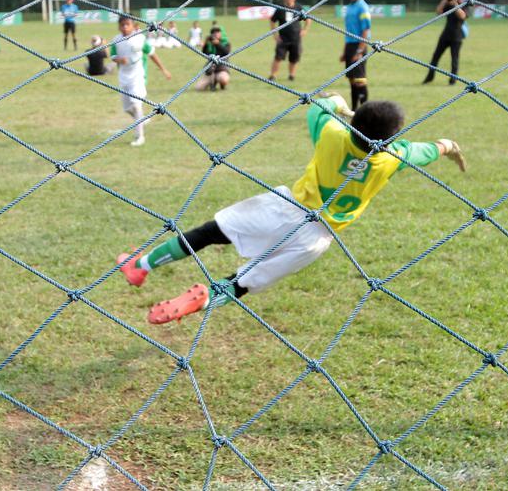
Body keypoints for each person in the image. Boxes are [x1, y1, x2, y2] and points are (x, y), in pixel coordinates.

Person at [115, 93, 466, 324]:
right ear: (391, 139)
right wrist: (449, 145)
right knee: (244, 282)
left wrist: (338, 102)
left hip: (286, 209)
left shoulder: (332, 135)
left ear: (353, 123)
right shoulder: (392, 158)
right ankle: (204, 299)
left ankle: (141, 266)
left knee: (211, 232)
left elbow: (319, 106)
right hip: (316, 239)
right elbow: (429, 149)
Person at [109, 15, 172, 147]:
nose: (125, 27)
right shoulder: (116, 40)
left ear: (133, 25)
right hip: (123, 77)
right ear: (119, 26)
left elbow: (152, 54)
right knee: (127, 108)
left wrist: (164, 70)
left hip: (137, 77)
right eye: (122, 25)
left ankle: (140, 136)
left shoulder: (140, 39)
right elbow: (113, 56)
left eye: (127, 24)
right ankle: (142, 120)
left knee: (136, 105)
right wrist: (120, 60)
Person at [422, 0, 468, 85]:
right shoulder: (449, 4)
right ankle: (429, 78)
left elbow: (462, 16)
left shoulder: (465, 4)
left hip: (457, 37)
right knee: (435, 57)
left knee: (454, 60)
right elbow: (438, 11)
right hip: (445, 35)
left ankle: (452, 81)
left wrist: (456, 3)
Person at [341, 0, 372, 109]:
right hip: (350, 45)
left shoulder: (362, 7)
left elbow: (366, 30)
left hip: (359, 45)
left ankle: (365, 111)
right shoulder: (350, 7)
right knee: (352, 80)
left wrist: (360, 50)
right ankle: (354, 110)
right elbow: (349, 31)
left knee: (360, 80)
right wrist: (344, 51)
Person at [268, 0, 308, 82]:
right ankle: (273, 75)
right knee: (278, 57)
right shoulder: (280, 9)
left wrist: (305, 30)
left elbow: (308, 19)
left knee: (294, 58)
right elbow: (272, 21)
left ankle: (291, 75)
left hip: (296, 38)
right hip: (283, 38)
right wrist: (275, 34)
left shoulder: (299, 8)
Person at [195, 26, 231, 91]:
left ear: (221, 33)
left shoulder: (226, 43)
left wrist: (218, 44)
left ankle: (222, 85)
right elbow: (205, 53)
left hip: (221, 70)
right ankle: (212, 83)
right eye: (214, 33)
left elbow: (226, 52)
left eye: (218, 32)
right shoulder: (210, 44)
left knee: (224, 79)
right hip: (210, 71)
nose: (216, 34)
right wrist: (206, 43)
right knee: (198, 88)